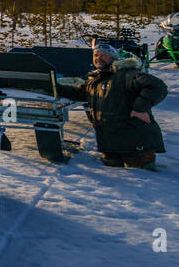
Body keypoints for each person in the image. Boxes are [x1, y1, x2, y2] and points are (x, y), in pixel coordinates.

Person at [60, 41, 168, 171]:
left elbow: (157, 86)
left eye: (103, 55)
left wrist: (140, 108)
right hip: (110, 146)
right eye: (96, 55)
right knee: (113, 182)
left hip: (136, 146)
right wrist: (49, 86)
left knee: (142, 180)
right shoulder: (94, 81)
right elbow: (76, 92)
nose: (98, 58)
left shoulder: (126, 74)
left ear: (113, 57)